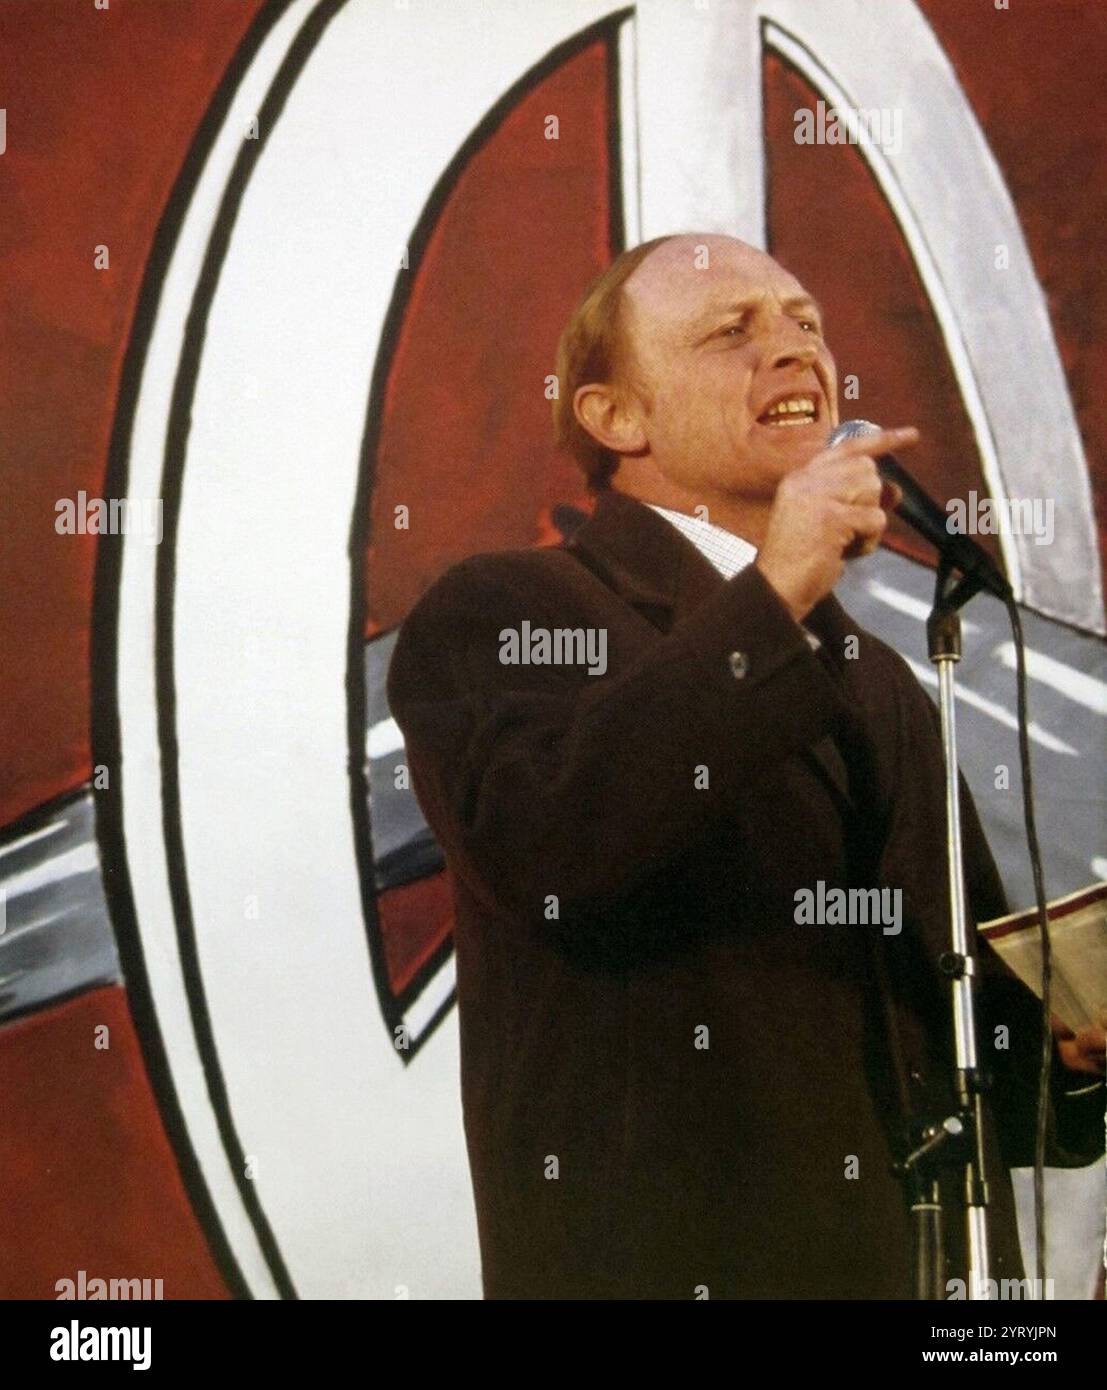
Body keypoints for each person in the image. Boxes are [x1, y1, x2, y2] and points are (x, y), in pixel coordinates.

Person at [387, 233, 1105, 1299]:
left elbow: (970, 1049)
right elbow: (555, 850)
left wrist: (1070, 1056)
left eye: (804, 321)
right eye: (733, 331)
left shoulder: (880, 685)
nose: (792, 348)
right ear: (615, 417)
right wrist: (775, 591)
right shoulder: (504, 612)